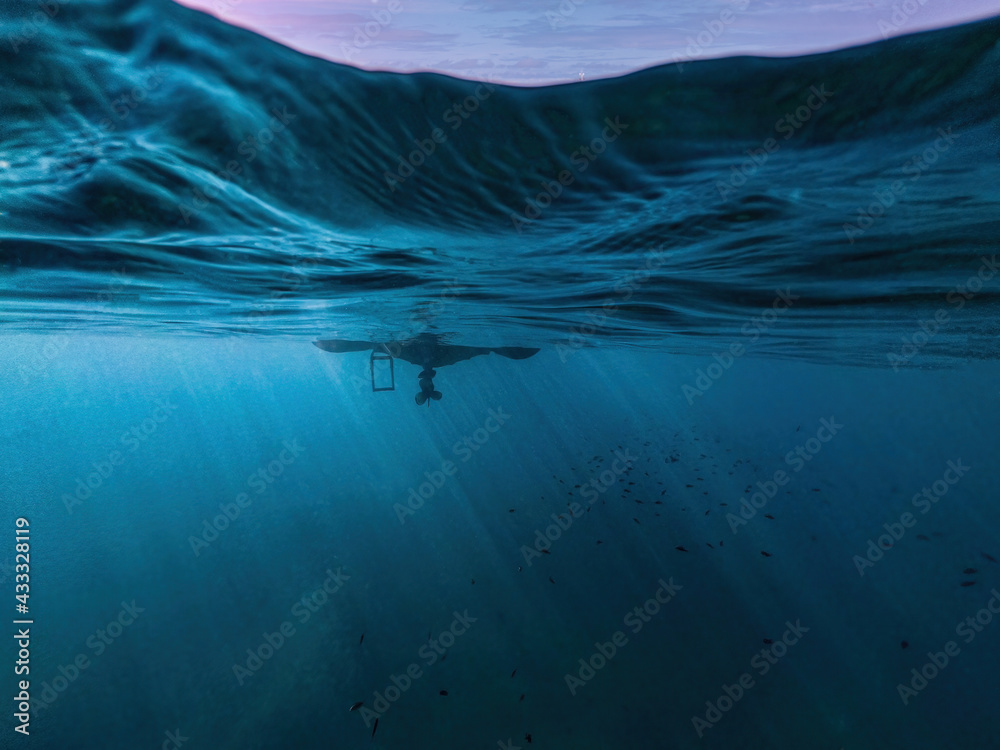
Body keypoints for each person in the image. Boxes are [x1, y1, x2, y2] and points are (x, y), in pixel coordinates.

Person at [313, 333, 539, 406]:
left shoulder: (419, 358)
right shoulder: (438, 360)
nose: (427, 385)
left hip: (429, 356)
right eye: (428, 387)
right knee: (483, 347)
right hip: (436, 355)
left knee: (377, 343)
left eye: (425, 386)